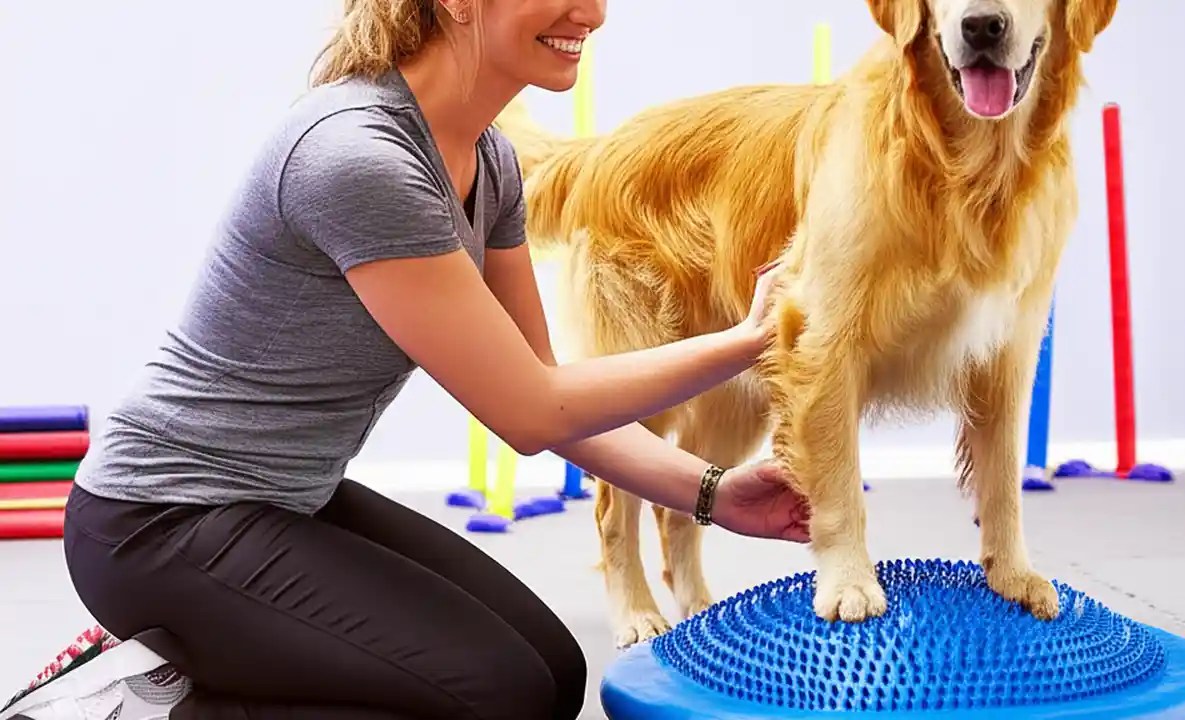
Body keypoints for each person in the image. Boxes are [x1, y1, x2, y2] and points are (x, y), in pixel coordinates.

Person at [0, 1, 811, 719]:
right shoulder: (358, 160)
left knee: (554, 674)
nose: (590, 13)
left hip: (285, 501)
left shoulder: (486, 161)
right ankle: (141, 709)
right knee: (501, 696)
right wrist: (746, 339)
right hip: (159, 523)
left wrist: (717, 495)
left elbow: (551, 395)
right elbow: (533, 413)